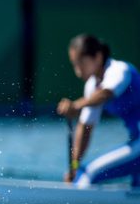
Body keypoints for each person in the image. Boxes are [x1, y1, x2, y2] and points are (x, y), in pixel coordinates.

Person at [57, 34, 140, 188]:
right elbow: (85, 128)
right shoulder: (91, 85)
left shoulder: (119, 70)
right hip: (136, 141)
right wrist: (74, 167)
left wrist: (76, 106)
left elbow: (105, 94)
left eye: (81, 63)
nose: (78, 71)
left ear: (98, 57)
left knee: (88, 175)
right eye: (74, 65)